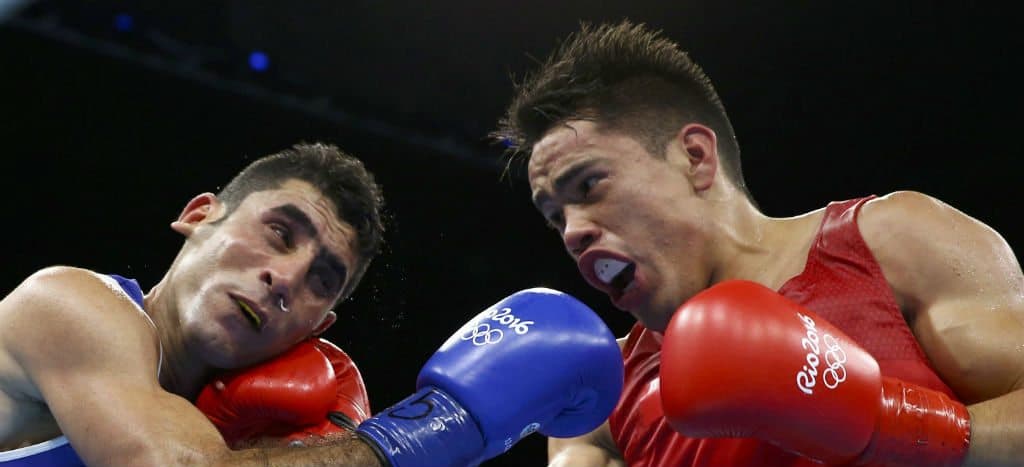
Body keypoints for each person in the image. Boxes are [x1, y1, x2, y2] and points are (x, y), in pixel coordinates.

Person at [494, 20, 1024, 467]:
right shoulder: (600, 397)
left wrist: (883, 418)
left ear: (695, 157)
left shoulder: (887, 241)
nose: (573, 231)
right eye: (554, 217)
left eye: (589, 186)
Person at [0, 142, 625, 466]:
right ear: (198, 217)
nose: (286, 278)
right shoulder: (71, 305)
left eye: (323, 279)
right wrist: (429, 433)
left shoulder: (236, 431)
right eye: (279, 232)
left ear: (318, 327)